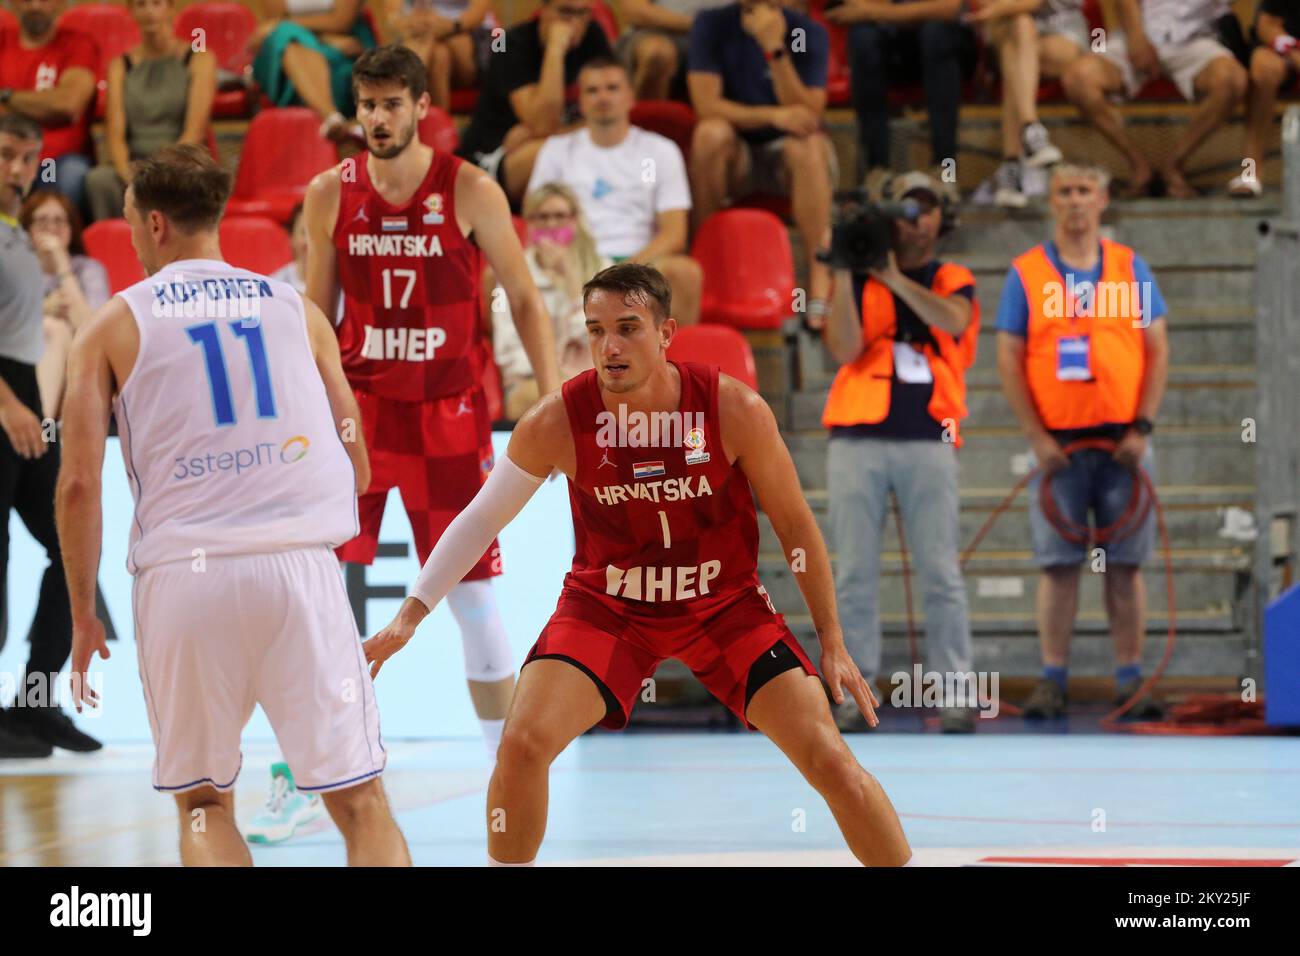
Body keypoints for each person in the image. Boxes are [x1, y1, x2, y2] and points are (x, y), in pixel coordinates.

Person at [364, 262, 915, 867]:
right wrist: (410, 615)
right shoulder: (556, 421)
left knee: (829, 758)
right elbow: (479, 520)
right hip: (609, 608)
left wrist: (831, 639)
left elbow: (795, 526)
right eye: (596, 331)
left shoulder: (732, 408)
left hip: (724, 605)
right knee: (521, 745)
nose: (610, 346)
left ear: (665, 333)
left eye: (627, 328)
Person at [57, 143, 408, 866]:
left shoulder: (111, 324)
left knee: (203, 806)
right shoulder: (298, 310)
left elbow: (79, 485)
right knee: (361, 802)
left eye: (129, 221)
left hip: (186, 578)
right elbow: (356, 454)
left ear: (155, 223)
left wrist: (84, 614)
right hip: (299, 573)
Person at [295, 45, 561, 836]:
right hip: (363, 415)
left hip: (448, 412)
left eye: (391, 104)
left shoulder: (470, 188)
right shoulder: (328, 192)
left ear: (420, 107)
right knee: (326, 593)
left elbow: (525, 298)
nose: (377, 118)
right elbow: (316, 315)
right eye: (366, 104)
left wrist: (552, 400)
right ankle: (325, 766)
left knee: (471, 595)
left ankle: (503, 766)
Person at [995, 163, 1168, 719]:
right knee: (1058, 565)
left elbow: (1157, 347)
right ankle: (1053, 679)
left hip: (1124, 445)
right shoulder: (1026, 274)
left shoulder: (1131, 267)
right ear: (1051, 201)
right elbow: (1008, 356)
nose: (1075, 200)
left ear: (1102, 199)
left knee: (1126, 566)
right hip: (1058, 448)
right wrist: (1035, 435)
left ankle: (1130, 679)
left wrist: (1143, 426)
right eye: (1065, 191)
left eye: (1084, 191)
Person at [821, 171, 978, 734]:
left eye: (926, 209)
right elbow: (843, 348)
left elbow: (952, 320)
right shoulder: (859, 278)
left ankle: (955, 692)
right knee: (854, 573)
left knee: (940, 571)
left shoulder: (951, 277)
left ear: (941, 218)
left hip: (929, 433)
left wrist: (891, 277)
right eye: (905, 210)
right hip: (857, 434)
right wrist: (846, 271)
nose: (915, 221)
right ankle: (853, 694)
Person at [0, 114, 100, 759]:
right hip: (9, 404)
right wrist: (8, 403)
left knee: (73, 548)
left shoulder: (17, 237)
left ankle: (34, 704)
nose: (17, 170)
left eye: (27, 158)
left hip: (27, 408)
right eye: (6, 155)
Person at [688, 0, 836, 324]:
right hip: (737, 151)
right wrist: (774, 115)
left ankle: (819, 278)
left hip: (789, 153)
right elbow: (706, 106)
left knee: (809, 145)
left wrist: (775, 49)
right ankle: (706, 266)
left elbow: (809, 114)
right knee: (709, 134)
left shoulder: (807, 32)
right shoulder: (711, 24)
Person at [527, 56, 703, 325]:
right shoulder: (556, 150)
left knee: (684, 271)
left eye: (612, 88)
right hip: (573, 257)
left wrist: (623, 270)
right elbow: (537, 219)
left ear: (630, 97)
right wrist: (563, 260)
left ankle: (673, 354)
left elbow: (674, 233)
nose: (603, 97)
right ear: (581, 102)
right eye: (592, 90)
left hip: (639, 260)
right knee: (498, 275)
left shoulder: (660, 151)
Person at [1060, 0, 1247, 198]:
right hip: (1137, 31)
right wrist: (1136, 38)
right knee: (1078, 79)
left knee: (1233, 80)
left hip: (1195, 39)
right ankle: (1138, 166)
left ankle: (1173, 164)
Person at [455, 0, 613, 207]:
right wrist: (555, 50)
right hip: (494, 155)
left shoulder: (593, 36)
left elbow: (613, 118)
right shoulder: (508, 43)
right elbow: (543, 123)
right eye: (565, 12)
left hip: (545, 141)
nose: (574, 22)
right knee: (553, 153)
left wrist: (559, 132)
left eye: (582, 13)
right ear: (543, 9)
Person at [83, 0, 217, 224]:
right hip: (135, 166)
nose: (149, 12)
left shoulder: (200, 58)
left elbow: (195, 131)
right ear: (131, 11)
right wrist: (131, 177)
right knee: (98, 180)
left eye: (156, 3)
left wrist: (161, 175)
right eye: (141, 4)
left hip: (182, 163)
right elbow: (115, 135)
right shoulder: (119, 65)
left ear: (170, 8)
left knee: (189, 181)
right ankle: (112, 244)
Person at [488, 182, 606, 421]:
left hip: (591, 378)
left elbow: (601, 337)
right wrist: (553, 375)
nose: (551, 224)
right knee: (561, 395)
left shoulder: (602, 268)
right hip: (528, 382)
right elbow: (506, 349)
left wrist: (572, 285)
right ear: (529, 224)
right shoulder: (511, 273)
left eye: (560, 216)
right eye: (542, 217)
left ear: (574, 220)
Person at [826, 0, 978, 184]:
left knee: (937, 34)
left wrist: (876, 11)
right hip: (892, 46)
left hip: (942, 46)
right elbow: (841, 9)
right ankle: (876, 172)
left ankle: (946, 173)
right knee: (862, 37)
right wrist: (897, 13)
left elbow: (950, 8)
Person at [965, 0, 1066, 208]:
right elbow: (984, 8)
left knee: (1016, 53)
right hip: (1010, 32)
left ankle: (1011, 165)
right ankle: (1032, 131)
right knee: (1020, 29)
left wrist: (1000, 9)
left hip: (1062, 31)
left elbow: (1034, 2)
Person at [18, 189, 108, 419]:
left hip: (76, 369)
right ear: (27, 229)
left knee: (55, 330)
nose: (51, 228)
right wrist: (42, 309)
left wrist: (61, 264)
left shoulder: (89, 269)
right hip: (19, 363)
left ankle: (40, 427)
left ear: (71, 229)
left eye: (59, 221)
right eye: (42, 221)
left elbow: (93, 332)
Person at [0, 0, 97, 210]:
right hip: (5, 156)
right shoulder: (2, 41)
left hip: (51, 161)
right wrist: (45, 106)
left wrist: (6, 96)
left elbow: (68, 104)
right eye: (27, 0)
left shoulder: (78, 44)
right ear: (12, 3)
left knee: (67, 175)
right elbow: (56, 105)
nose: (35, 6)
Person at [249, 0, 379, 143]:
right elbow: (275, 20)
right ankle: (330, 115)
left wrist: (290, 26)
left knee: (286, 34)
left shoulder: (287, 26)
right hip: (288, 52)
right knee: (285, 38)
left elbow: (340, 21)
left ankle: (331, 118)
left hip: (341, 52)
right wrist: (323, 37)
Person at [1235, 0, 1300, 197]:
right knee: (1263, 69)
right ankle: (1249, 172)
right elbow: (1266, 24)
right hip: (1284, 51)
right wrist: (1293, 52)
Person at [617, 0, 732, 100]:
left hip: (724, 37)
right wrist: (698, 25)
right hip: (657, 31)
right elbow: (635, 10)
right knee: (658, 53)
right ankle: (647, 117)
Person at [395, 0, 498, 112]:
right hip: (420, 31)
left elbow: (479, 11)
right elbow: (393, 14)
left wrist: (451, 26)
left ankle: (403, 92)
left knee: (426, 48)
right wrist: (411, 24)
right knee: (439, 56)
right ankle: (440, 121)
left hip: (467, 30)